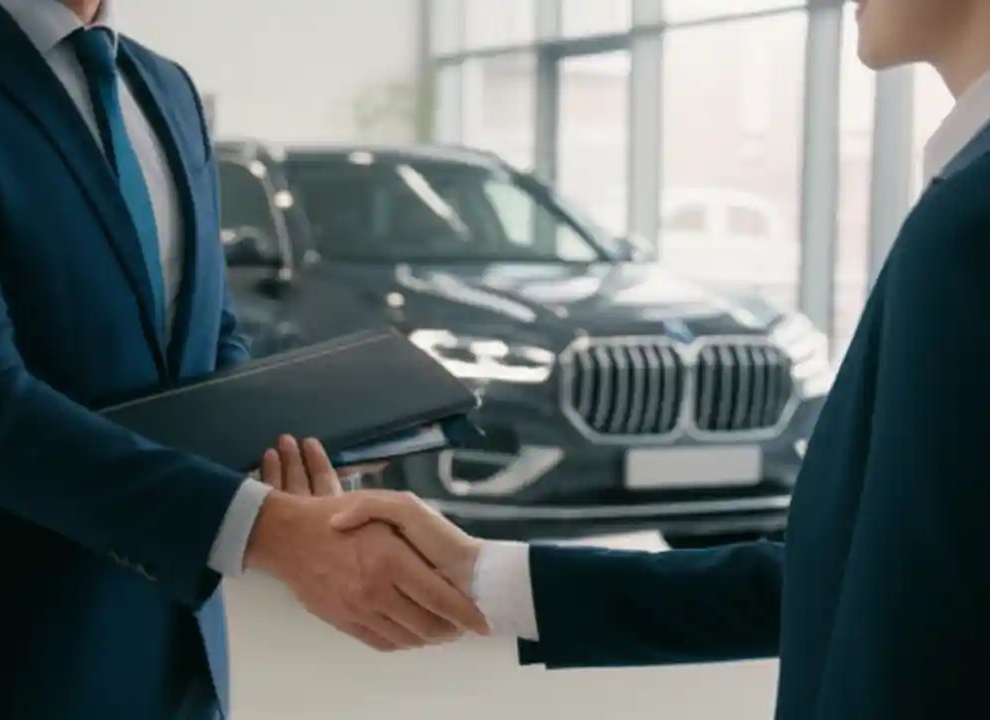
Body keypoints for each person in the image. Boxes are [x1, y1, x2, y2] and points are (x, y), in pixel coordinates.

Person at [0, 0, 486, 717]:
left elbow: (205, 332)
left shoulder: (166, 88)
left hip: (174, 648)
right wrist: (264, 531)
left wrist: (281, 459)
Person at [314, 0, 990, 717]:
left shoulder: (968, 225)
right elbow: (853, 576)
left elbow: (922, 612)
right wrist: (487, 575)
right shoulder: (962, 195)